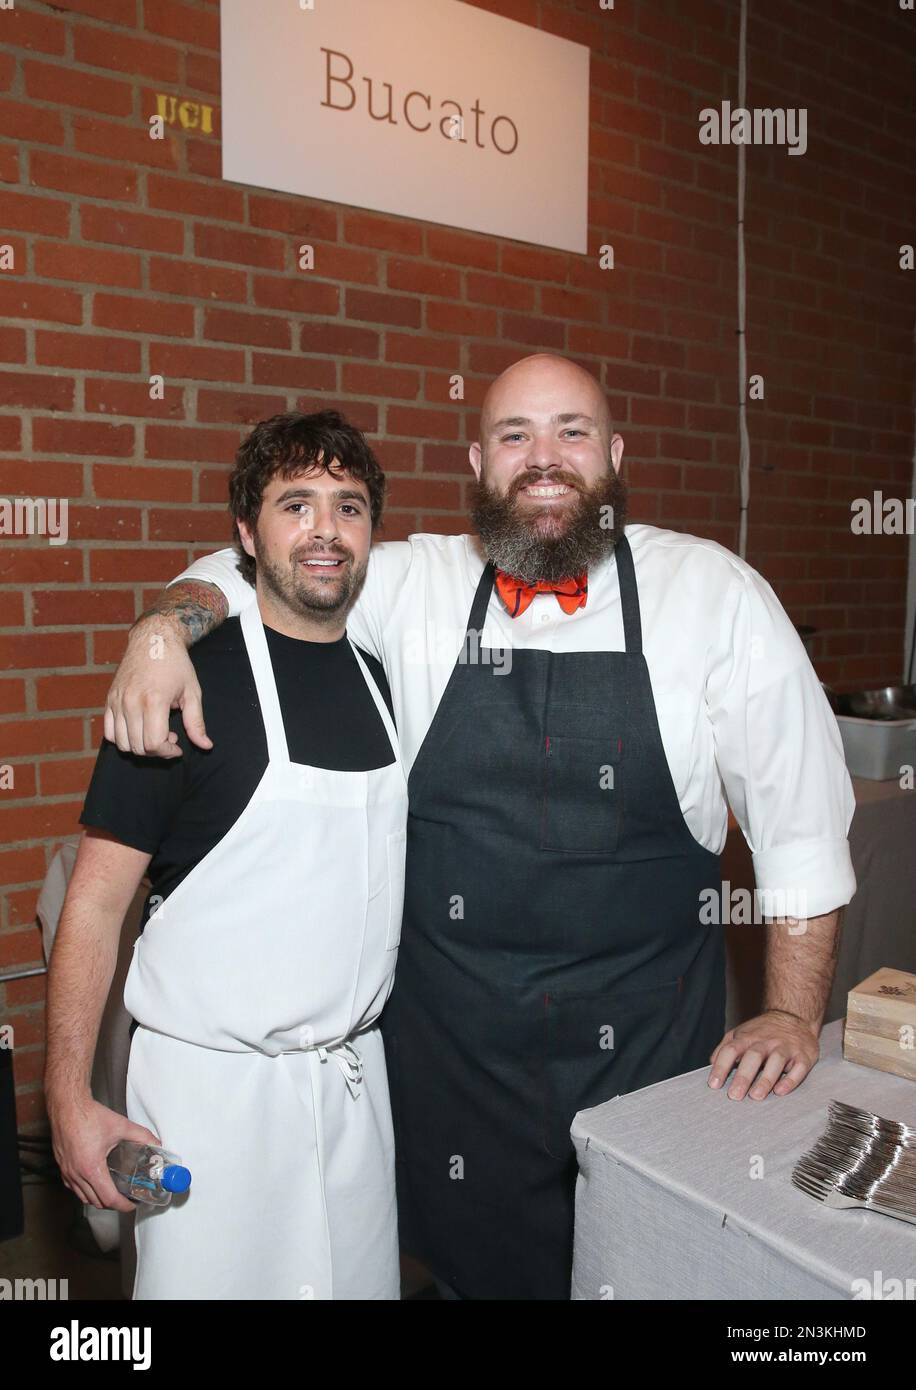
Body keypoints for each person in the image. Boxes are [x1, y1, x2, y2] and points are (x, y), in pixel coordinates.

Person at [103, 355, 856, 1300]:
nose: (545, 460)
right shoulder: (412, 583)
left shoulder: (712, 596)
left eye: (571, 432)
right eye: (515, 436)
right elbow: (262, 561)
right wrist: (162, 629)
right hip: (455, 1070)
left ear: (615, 454)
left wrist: (789, 1012)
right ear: (479, 461)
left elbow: (799, 831)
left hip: (646, 1063)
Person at [46, 411, 408, 1300]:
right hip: (211, 1108)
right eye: (297, 505)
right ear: (247, 534)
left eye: (349, 507)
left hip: (355, 1097)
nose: (326, 530)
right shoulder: (178, 686)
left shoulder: (383, 675)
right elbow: (92, 906)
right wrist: (66, 1101)